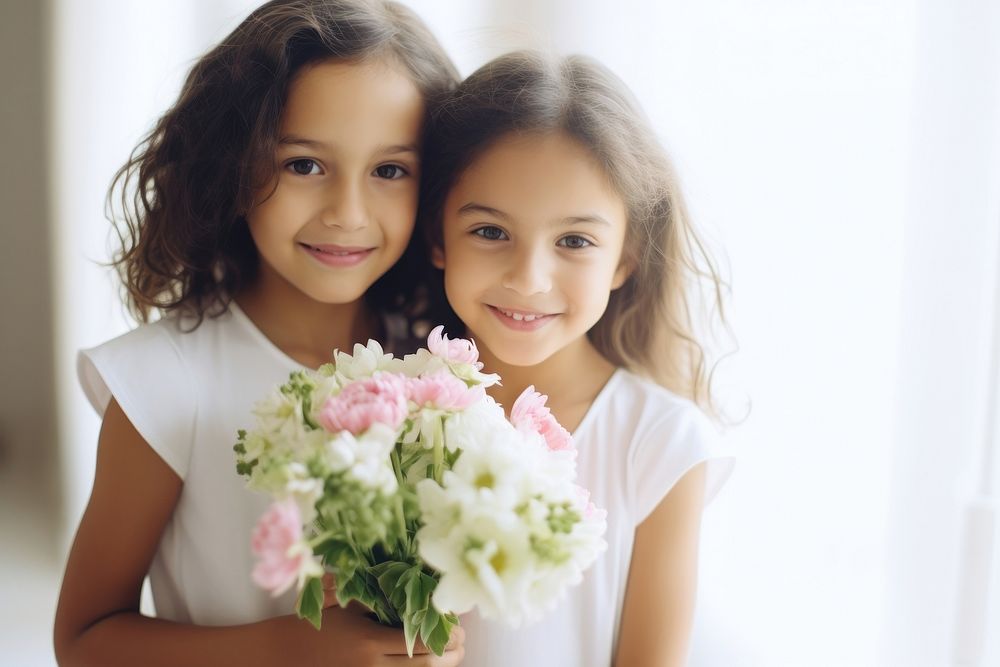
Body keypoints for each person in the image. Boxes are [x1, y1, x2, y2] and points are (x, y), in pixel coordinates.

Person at [53, 1, 466, 665]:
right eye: (304, 164)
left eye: (390, 170)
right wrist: (286, 647)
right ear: (232, 163)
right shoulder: (167, 384)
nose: (347, 213)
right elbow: (83, 639)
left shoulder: (440, 371)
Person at [418, 50, 736, 667]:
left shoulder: (660, 444)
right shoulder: (389, 412)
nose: (529, 279)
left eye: (574, 241)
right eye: (490, 231)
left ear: (626, 256)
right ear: (437, 235)